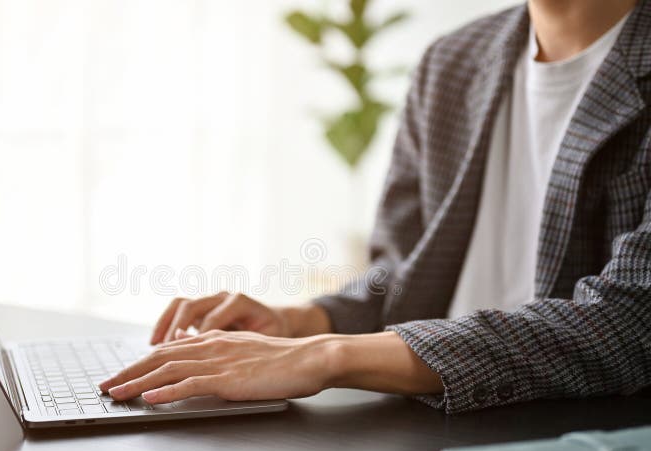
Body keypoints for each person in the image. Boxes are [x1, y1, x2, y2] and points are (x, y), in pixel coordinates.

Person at [100, 0, 651, 413]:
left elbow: (628, 322)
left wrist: (327, 355)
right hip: (425, 424)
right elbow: (400, 273)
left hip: (567, 444)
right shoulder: (453, 62)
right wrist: (300, 322)